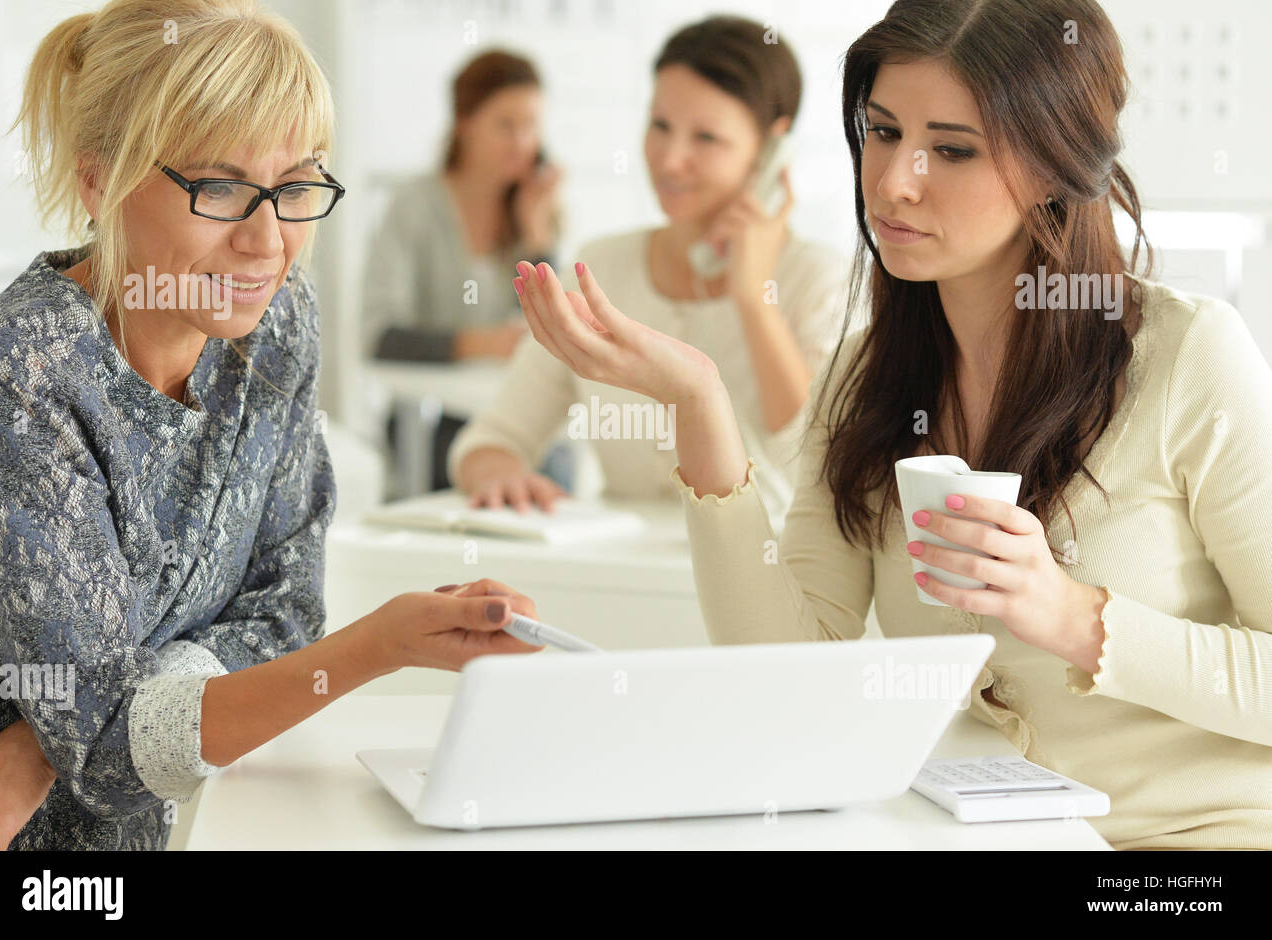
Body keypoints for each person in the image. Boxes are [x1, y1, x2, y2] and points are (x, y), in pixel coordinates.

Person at [508, 0, 1272, 850]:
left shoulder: (1187, 355)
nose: (895, 181)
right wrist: (701, 405)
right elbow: (789, 670)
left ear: (1058, 163)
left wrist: (1073, 617)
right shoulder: (864, 378)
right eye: (880, 132)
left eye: (952, 149)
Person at [0, 0, 540, 852]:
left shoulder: (274, 322)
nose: (268, 241)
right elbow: (108, 758)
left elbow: (285, 607)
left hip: (204, 815)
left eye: (295, 186)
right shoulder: (19, 377)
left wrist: (55, 735)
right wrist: (376, 645)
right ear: (99, 181)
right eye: (223, 186)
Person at [449, 16, 849, 519]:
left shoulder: (819, 280)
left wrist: (752, 298)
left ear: (771, 149)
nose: (670, 159)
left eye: (706, 138)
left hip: (765, 582)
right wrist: (501, 476)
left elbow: (812, 469)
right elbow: (492, 439)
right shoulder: (601, 269)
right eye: (660, 126)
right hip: (629, 581)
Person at [363, 50, 564, 491]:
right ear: (465, 122)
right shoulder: (413, 208)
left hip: (518, 412)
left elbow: (556, 332)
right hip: (436, 419)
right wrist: (485, 343)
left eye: (532, 127)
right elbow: (380, 337)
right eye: (506, 125)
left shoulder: (537, 209)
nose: (523, 142)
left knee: (554, 454)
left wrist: (536, 239)